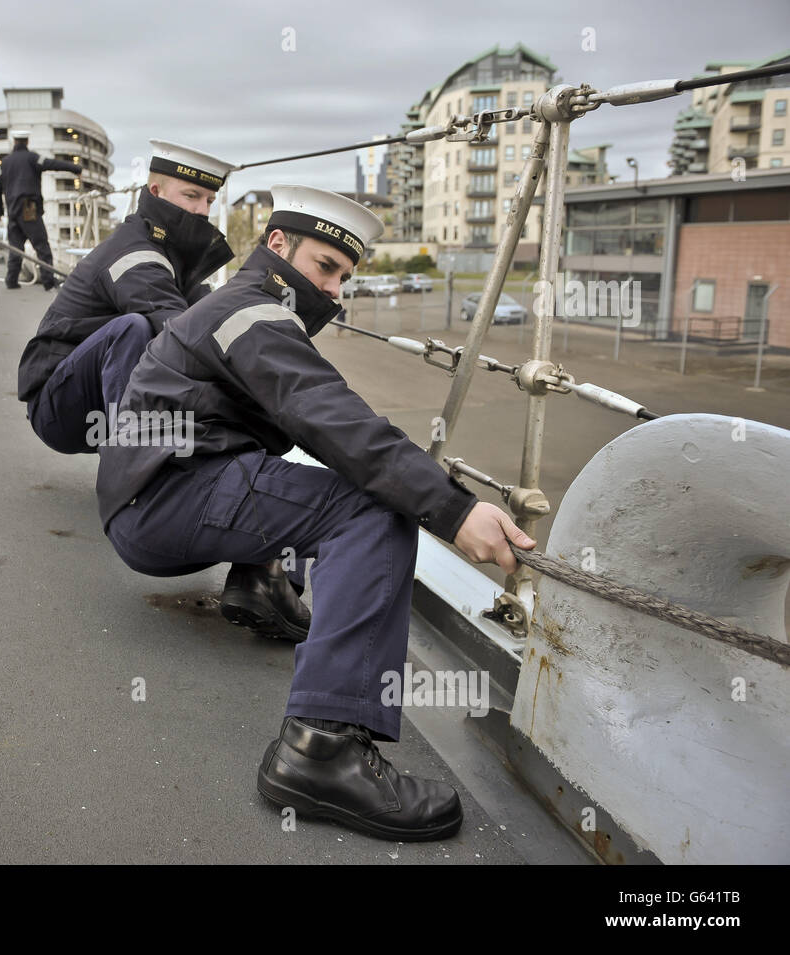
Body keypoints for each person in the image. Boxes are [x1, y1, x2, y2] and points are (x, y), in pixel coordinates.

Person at [94, 184, 536, 841]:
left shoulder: (241, 306)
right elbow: (331, 413)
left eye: (344, 277)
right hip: (165, 498)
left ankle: (260, 580)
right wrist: (452, 509)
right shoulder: (253, 311)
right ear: (277, 246)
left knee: (300, 475)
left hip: (149, 494)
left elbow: (299, 422)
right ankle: (322, 749)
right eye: (325, 268)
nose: (334, 290)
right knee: (373, 511)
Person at [18, 141, 307, 641]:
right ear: (154, 191)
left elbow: (214, 333)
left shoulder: (177, 259)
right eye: (189, 196)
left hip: (96, 404)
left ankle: (260, 566)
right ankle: (137, 474)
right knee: (135, 329)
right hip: (57, 405)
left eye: (206, 202)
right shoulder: (136, 256)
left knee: (220, 378)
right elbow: (181, 332)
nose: (199, 210)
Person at [0, 130, 81, 290]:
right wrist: (75, 168)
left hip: (12, 209)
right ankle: (48, 281)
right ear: (27, 141)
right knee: (41, 246)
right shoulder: (32, 158)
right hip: (28, 207)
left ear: (14, 141)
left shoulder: (5, 162)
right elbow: (51, 164)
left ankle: (11, 280)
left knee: (15, 246)